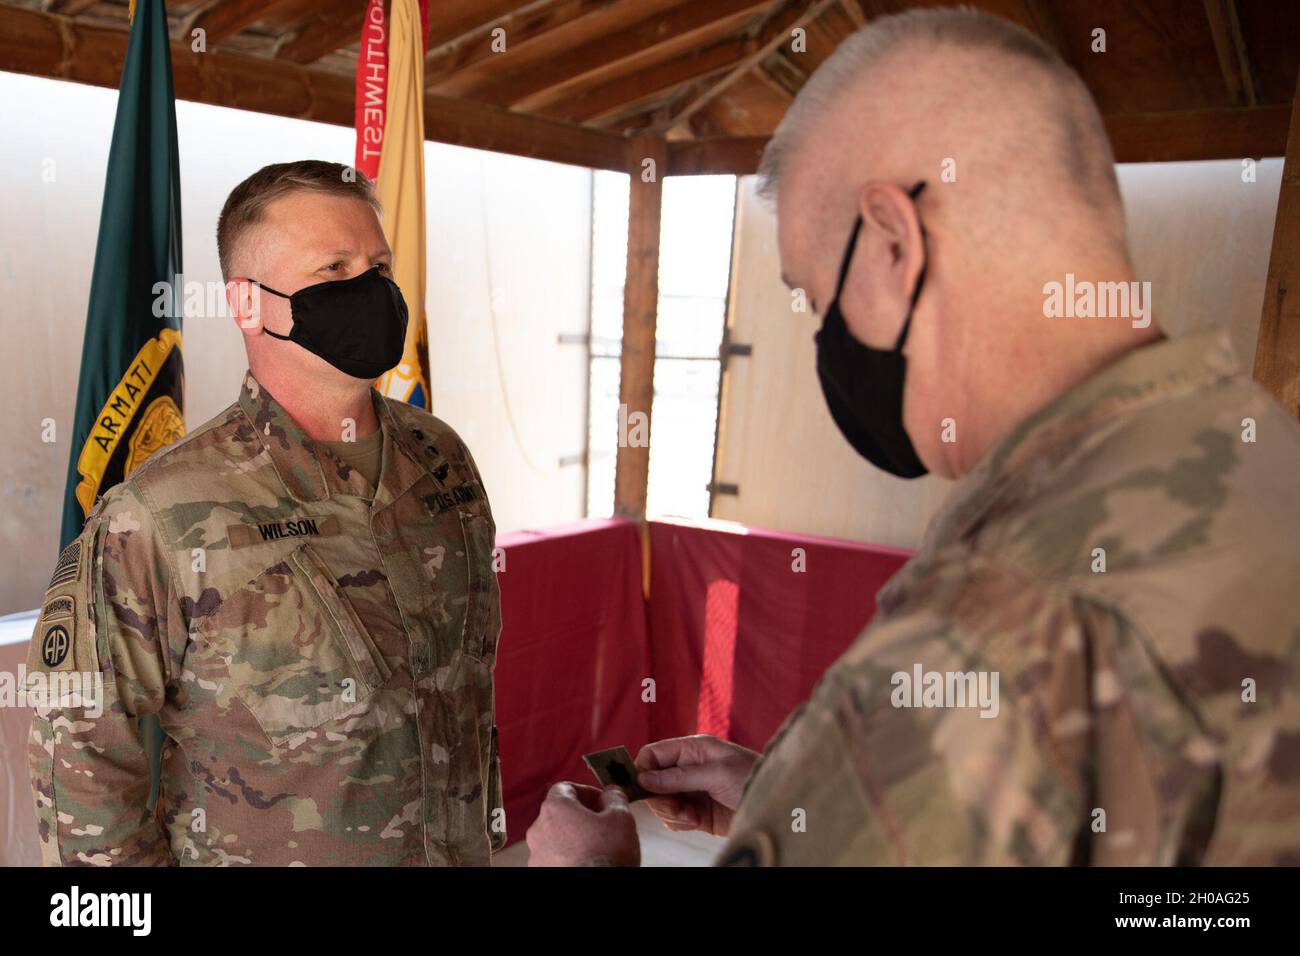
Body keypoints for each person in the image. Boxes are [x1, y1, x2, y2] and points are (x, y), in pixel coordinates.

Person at [525, 8, 1300, 866]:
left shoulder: (1010, 607)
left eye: (816, 297)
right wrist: (802, 791)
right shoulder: (1257, 452)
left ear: (894, 240)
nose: (825, 335)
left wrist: (588, 867)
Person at [26, 161, 503, 866]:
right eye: (334, 271)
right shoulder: (158, 513)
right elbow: (85, 776)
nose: (370, 290)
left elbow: (466, 696)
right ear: (248, 305)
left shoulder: (442, 458)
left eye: (378, 265)